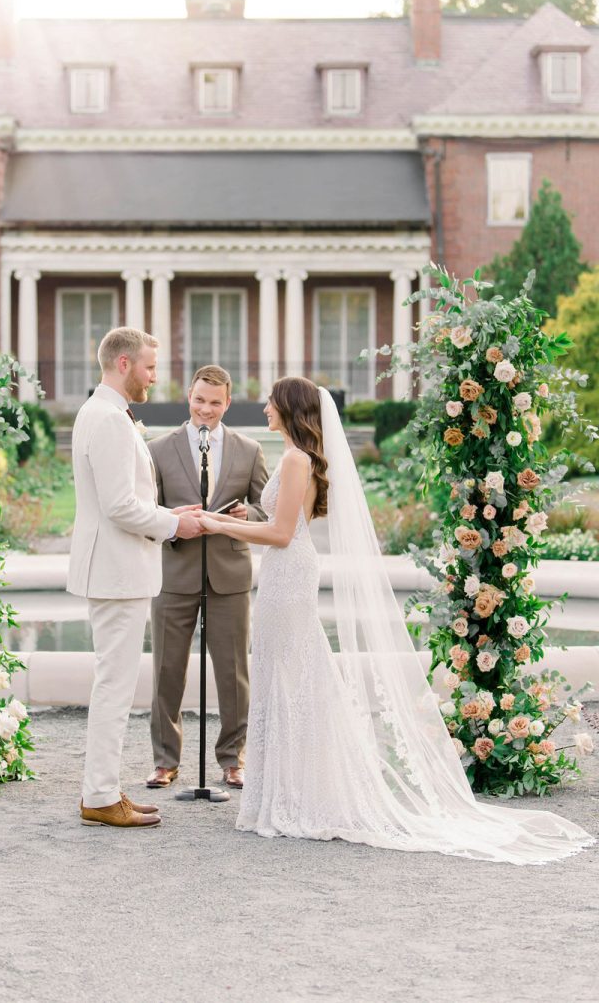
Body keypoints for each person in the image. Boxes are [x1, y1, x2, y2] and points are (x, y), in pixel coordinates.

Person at [198, 377, 594, 863]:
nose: (263, 408)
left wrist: (218, 523)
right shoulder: (297, 457)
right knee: (288, 672)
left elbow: (281, 533)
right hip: (285, 572)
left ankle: (294, 794)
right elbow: (284, 524)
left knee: (290, 673)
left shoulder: (296, 458)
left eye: (270, 402)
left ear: (288, 408)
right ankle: (286, 789)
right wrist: (241, 517)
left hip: (287, 570)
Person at [67, 327, 202, 829]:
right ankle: (100, 796)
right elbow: (119, 505)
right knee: (115, 686)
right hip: (116, 572)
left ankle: (103, 789)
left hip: (116, 569)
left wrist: (167, 510)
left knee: (115, 683)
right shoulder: (107, 420)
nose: (154, 376)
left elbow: (123, 498)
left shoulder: (104, 413)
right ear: (123, 364)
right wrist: (173, 524)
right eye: (148, 366)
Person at [145, 365, 268, 790]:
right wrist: (171, 521)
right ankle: (165, 761)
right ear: (189, 398)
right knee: (166, 670)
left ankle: (233, 759)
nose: (206, 410)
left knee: (234, 673)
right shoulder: (158, 449)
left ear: (227, 403)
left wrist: (244, 515)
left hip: (229, 574)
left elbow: (265, 509)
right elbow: (146, 511)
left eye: (215, 403)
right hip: (173, 571)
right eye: (199, 400)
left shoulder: (249, 449)